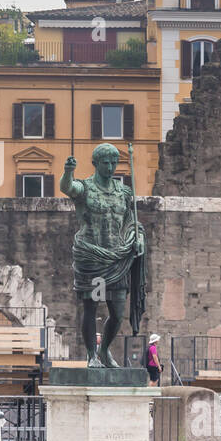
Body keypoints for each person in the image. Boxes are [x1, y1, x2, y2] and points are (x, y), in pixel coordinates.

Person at [60, 144, 146, 368]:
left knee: (117, 313)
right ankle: (92, 355)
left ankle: (105, 350)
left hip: (117, 259)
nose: (110, 167)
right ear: (95, 163)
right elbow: (68, 187)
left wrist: (138, 238)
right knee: (92, 306)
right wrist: (68, 172)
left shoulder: (124, 192)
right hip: (92, 258)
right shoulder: (85, 188)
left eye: (114, 163)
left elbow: (131, 222)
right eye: (106, 163)